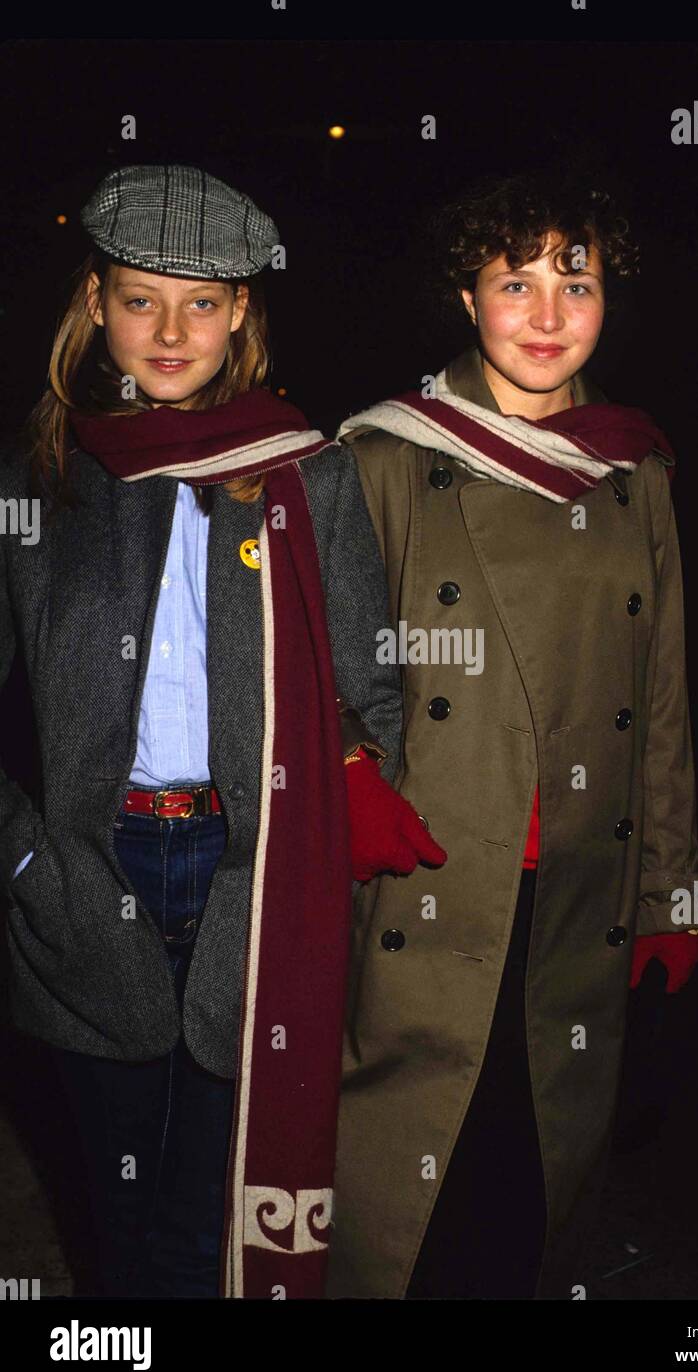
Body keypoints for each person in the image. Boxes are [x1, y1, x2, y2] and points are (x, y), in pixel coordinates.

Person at [0, 163, 443, 1300]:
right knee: (119, 1224)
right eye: (141, 297)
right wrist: (23, 856)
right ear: (93, 304)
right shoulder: (42, 481)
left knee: (212, 1227)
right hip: (87, 884)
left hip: (254, 886)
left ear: (242, 312)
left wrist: (328, 842)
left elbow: (370, 691)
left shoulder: (307, 471)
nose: (170, 328)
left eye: (202, 302)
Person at [326, 169, 698, 1300]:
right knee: (408, 1192)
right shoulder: (384, 456)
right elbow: (314, 659)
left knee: (532, 1183)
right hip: (427, 879)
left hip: (579, 891)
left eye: (574, 281)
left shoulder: (634, 467)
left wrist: (671, 886)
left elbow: (667, 693)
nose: (546, 316)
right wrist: (348, 768)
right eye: (514, 282)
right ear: (464, 294)